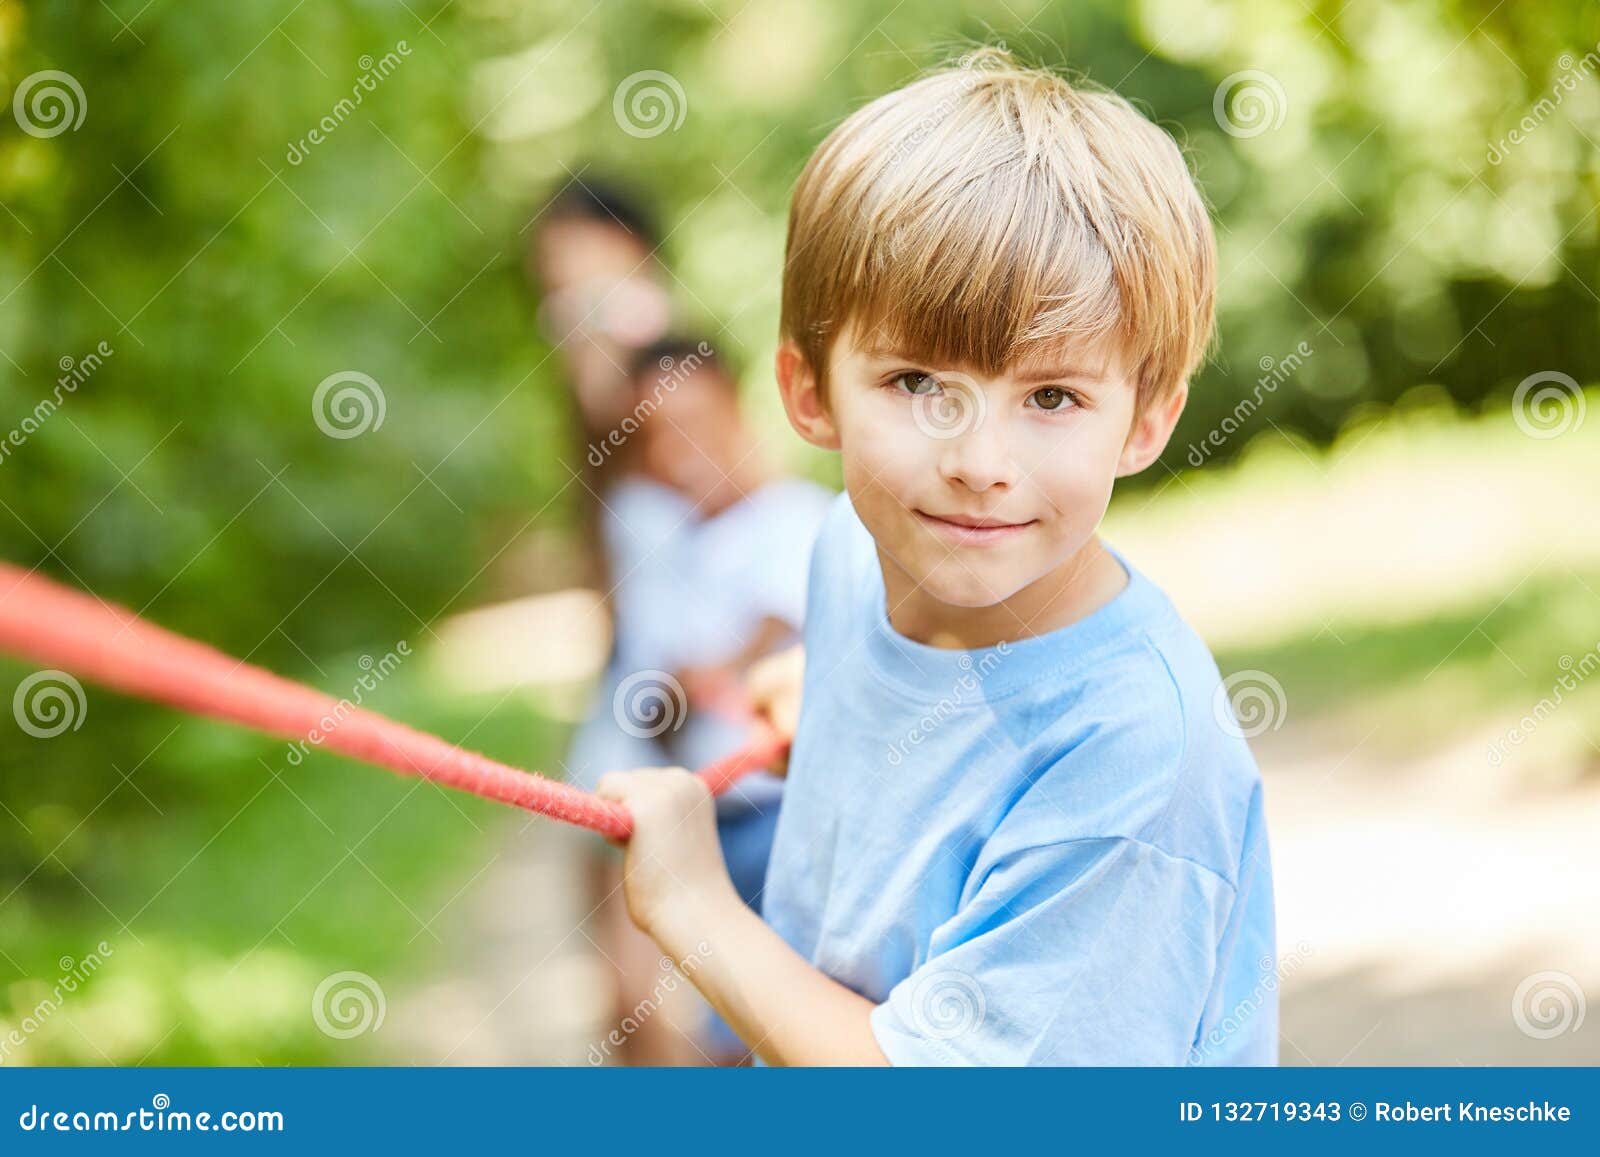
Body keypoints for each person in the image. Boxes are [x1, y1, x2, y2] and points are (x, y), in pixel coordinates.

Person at [597, 49, 1278, 1066]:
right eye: (918, 382)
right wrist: (838, 702)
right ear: (810, 389)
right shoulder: (854, 555)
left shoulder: (1132, 750)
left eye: (1051, 398)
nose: (979, 464)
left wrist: (698, 905)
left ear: (1145, 419)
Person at [565, 336, 833, 1063]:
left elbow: (756, 644)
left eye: (692, 421)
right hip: (683, 806)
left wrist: (709, 676)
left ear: (738, 408)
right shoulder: (649, 529)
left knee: (766, 1030)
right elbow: (654, 680)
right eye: (651, 432)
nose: (676, 450)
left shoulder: (805, 521)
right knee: (647, 1011)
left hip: (781, 818)